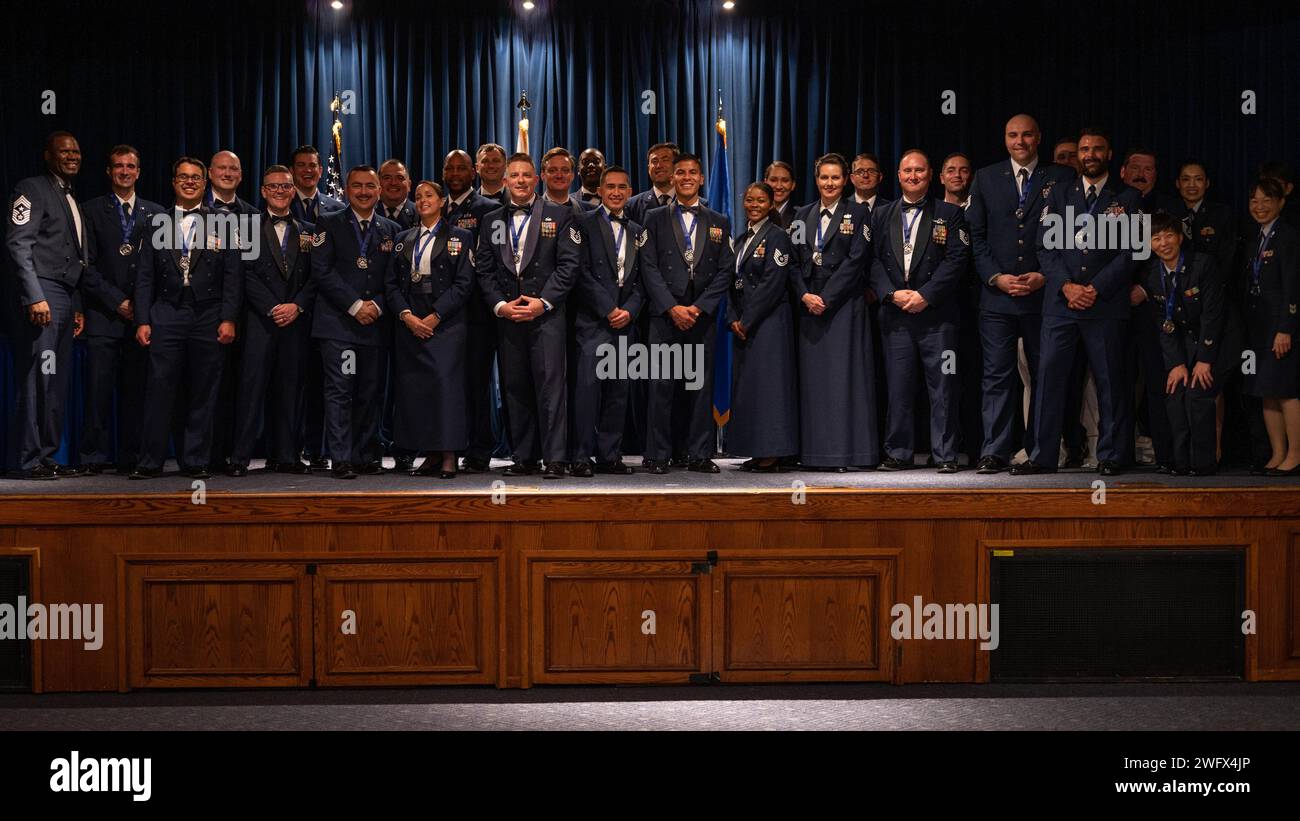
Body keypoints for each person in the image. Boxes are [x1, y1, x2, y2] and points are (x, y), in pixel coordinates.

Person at [1015, 127, 1141, 476]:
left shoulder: (1128, 198)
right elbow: (1045, 247)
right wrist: (1068, 287)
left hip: (1106, 305)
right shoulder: (1058, 194)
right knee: (1049, 381)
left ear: (1109, 154)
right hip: (1061, 305)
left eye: (1097, 149)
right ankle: (1041, 456)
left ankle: (1113, 455)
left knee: (1111, 383)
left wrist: (1095, 288)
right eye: (1084, 149)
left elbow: (1132, 252)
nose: (1089, 155)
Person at [967, 114, 1072, 473]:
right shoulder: (985, 177)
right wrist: (995, 277)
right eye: (1013, 135)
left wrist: (1047, 276)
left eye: (1027, 135)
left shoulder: (1060, 176)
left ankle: (1040, 449)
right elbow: (976, 238)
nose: (1020, 141)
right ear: (1005, 139)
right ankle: (993, 451)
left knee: (1046, 374)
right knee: (997, 375)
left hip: (1044, 297)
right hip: (997, 298)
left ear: (1039, 138)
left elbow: (1071, 235)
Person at [130, 156, 241, 479]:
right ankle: (150, 461)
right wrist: (142, 320)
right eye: (183, 177)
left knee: (203, 390)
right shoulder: (155, 221)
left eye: (196, 178)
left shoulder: (223, 221)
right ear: (173, 182)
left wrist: (229, 318)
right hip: (167, 313)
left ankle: (195, 460)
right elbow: (145, 277)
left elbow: (233, 276)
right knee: (159, 388)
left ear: (204, 183)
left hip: (209, 314)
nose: (189, 182)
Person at [475, 152, 579, 478]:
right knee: (515, 388)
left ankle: (555, 458)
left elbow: (568, 267)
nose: (520, 181)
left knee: (551, 389)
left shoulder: (560, 215)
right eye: (514, 176)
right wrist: (500, 306)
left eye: (526, 176)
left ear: (537, 180)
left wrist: (543, 302)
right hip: (508, 317)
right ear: (505, 182)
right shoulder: (491, 220)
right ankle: (524, 457)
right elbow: (485, 270)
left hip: (546, 317)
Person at [869, 149, 969, 473]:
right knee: (898, 388)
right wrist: (891, 294)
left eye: (919, 171)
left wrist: (925, 295)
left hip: (937, 317)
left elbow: (956, 261)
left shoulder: (950, 213)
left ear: (931, 175)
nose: (913, 176)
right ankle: (898, 452)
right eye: (907, 171)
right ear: (898, 175)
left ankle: (945, 455)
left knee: (943, 388)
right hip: (896, 315)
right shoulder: (881, 214)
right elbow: (871, 261)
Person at [639, 152, 735, 473]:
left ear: (702, 178)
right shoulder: (653, 217)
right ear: (673, 177)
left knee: (699, 387)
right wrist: (671, 306)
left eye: (693, 172)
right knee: (661, 386)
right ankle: (657, 454)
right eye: (681, 172)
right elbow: (648, 266)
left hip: (701, 316)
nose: (687, 177)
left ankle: (698, 453)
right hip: (665, 315)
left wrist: (699, 307)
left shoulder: (719, 221)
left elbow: (725, 271)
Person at [5, 131, 88, 479]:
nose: (71, 156)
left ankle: (49, 457)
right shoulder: (32, 189)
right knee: (38, 379)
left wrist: (78, 305)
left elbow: (77, 260)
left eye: (76, 151)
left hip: (66, 298)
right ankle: (27, 460)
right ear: (48, 155)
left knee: (56, 381)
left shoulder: (71, 196)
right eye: (63, 151)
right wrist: (35, 295)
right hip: (44, 296)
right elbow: (17, 245)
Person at [309, 165, 401, 479]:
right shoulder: (328, 223)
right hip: (339, 328)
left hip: (375, 326)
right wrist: (354, 305)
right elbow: (322, 272)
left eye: (370, 186)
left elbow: (396, 280)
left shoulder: (390, 229)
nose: (363, 192)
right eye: (357, 186)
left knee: (370, 392)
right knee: (340, 391)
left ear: (379, 191)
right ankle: (342, 458)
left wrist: (376, 304)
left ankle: (366, 455)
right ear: (347, 190)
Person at [789, 152, 877, 470]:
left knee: (844, 381)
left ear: (845, 180)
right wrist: (804, 296)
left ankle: (846, 454)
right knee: (815, 384)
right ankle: (814, 453)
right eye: (824, 177)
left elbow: (856, 262)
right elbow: (794, 264)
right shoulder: (801, 216)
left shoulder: (860, 213)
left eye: (836, 177)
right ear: (816, 180)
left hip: (843, 309)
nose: (829, 183)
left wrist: (825, 297)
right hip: (810, 310)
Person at [227, 165, 316, 476]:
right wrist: (273, 307)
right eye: (273, 186)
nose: (280, 191)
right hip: (260, 322)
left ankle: (288, 456)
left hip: (295, 322)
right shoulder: (249, 227)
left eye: (286, 186)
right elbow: (244, 275)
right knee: (250, 391)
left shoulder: (309, 230)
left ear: (293, 191)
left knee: (291, 390)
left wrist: (296, 306)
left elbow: (315, 278)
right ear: (263, 191)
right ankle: (239, 458)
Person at [78, 144, 161, 474]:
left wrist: (140, 307)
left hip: (142, 320)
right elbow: (87, 267)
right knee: (97, 393)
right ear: (109, 172)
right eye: (118, 166)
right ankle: (92, 458)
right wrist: (118, 301)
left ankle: (131, 457)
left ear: (139, 172)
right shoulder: (90, 210)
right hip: (104, 316)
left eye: (130, 166)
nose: (124, 171)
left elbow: (161, 269)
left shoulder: (156, 213)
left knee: (136, 393)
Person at [387, 181, 474, 478]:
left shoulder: (461, 237)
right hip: (411, 326)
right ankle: (429, 453)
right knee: (417, 390)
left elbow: (464, 284)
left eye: (430, 196)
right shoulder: (402, 238)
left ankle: (448, 454)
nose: (423, 200)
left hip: (446, 326)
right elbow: (391, 284)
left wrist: (436, 316)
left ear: (442, 201)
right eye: (419, 196)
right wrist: (407, 315)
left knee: (445, 389)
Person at [1142, 213, 1236, 475]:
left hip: (1220, 341)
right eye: (1156, 238)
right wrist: (1177, 364)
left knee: (1197, 395)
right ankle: (1180, 462)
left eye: (1169, 236)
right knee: (1175, 393)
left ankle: (1203, 463)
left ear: (1180, 238)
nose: (1164, 243)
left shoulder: (1203, 264)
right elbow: (1165, 325)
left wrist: (1205, 359)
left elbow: (1213, 315)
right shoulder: (1152, 275)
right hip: (1186, 344)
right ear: (1149, 243)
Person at [569, 166, 645, 476]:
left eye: (622, 187)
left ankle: (610, 455)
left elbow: (644, 277)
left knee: (618, 392)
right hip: (593, 322)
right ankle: (580, 457)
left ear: (629, 191)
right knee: (588, 393)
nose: (616, 192)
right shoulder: (582, 223)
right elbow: (579, 273)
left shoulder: (639, 230)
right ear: (599, 191)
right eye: (610, 186)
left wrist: (630, 309)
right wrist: (608, 308)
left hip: (626, 322)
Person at [443, 148, 509, 472]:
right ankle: (454, 445)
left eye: (462, 168)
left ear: (473, 173)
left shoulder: (490, 208)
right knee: (456, 385)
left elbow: (495, 263)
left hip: (482, 312)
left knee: (479, 384)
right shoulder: (436, 207)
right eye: (450, 168)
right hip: (448, 315)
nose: (455, 174)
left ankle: (481, 449)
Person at [727, 182, 798, 470]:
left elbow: (772, 283)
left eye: (760, 201)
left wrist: (747, 319)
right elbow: (731, 283)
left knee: (770, 389)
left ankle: (773, 450)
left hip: (768, 323)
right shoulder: (743, 239)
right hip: (744, 323)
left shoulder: (778, 236)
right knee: (751, 389)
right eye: (749, 200)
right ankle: (756, 448)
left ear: (770, 204)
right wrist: (732, 317)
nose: (754, 205)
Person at [290, 144, 346, 470]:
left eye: (313, 165)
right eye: (301, 166)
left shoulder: (336, 209)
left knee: (326, 385)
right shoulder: (279, 202)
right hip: (288, 312)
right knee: (292, 386)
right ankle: (289, 451)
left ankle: (319, 449)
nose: (308, 171)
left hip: (326, 312)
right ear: (293, 170)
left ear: (322, 170)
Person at [1239, 177, 1300, 474]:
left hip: (1280, 329)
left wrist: (1286, 327)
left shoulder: (1288, 236)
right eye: (1254, 200)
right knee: (1266, 390)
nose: (1259, 206)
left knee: (1286, 390)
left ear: (1281, 203)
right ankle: (1277, 454)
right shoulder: (1255, 238)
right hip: (1257, 328)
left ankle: (1295, 454)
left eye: (1266, 200)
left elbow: (1293, 286)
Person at [626, 142, 680, 225]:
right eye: (654, 161)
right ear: (648, 169)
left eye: (665, 160)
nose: (659, 165)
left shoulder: (692, 203)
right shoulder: (632, 206)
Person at [540, 147, 596, 211]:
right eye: (552, 170)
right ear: (543, 175)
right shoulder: (530, 212)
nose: (559, 175)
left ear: (572, 176)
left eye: (565, 170)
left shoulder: (592, 211)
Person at [378, 159, 417, 229]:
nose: (393, 183)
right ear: (378, 184)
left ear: (409, 185)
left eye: (400, 178)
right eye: (387, 178)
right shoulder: (368, 213)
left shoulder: (421, 214)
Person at [763, 161, 797, 229]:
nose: (778, 186)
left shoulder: (800, 215)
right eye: (773, 180)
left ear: (793, 185)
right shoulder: (757, 214)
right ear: (765, 182)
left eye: (785, 181)